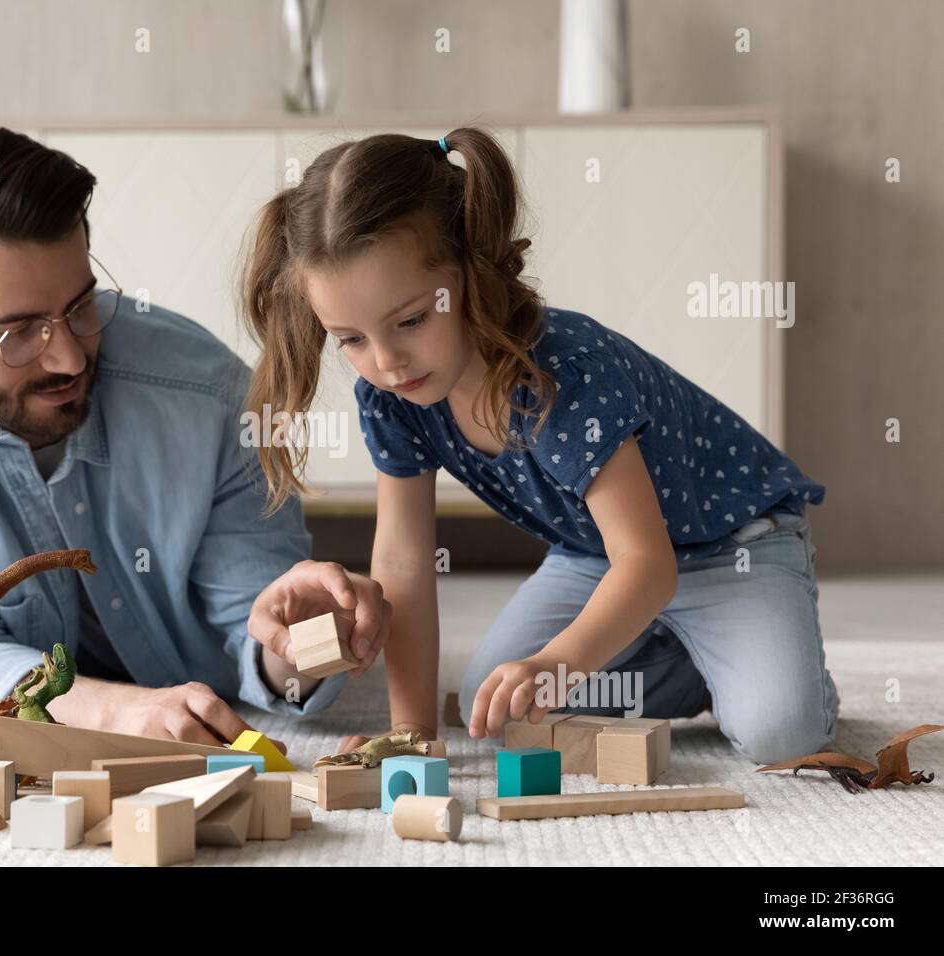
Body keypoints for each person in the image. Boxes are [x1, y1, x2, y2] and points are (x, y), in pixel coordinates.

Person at [237, 126, 838, 764]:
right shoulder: (392, 398)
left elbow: (648, 563)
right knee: (497, 709)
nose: (387, 361)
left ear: (471, 270)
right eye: (352, 339)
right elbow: (405, 562)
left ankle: (753, 667)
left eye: (412, 320)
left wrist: (558, 663)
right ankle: (696, 663)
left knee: (782, 734)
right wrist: (412, 733)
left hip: (733, 546)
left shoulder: (565, 374)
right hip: (595, 556)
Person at [0, 126, 390, 747]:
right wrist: (112, 712)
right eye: (18, 332)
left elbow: (258, 638)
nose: (70, 358)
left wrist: (311, 642)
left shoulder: (209, 394)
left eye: (81, 306)